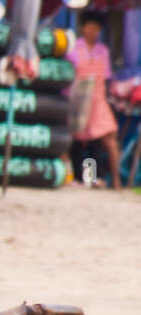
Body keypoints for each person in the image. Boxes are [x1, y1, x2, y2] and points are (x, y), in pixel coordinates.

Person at [68, 13, 122, 190]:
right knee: (77, 141)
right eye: (89, 26)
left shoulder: (102, 51)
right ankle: (78, 177)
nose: (92, 31)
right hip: (78, 99)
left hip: (97, 100)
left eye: (95, 28)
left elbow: (105, 76)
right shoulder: (75, 48)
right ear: (83, 27)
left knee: (95, 141)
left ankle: (92, 177)